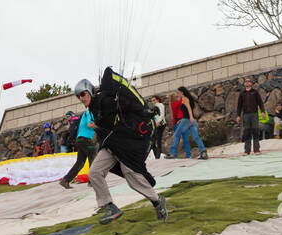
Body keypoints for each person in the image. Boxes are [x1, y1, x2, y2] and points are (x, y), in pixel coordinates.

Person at [79, 71, 168, 223]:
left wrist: (146, 111)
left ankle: (157, 202)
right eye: (78, 96)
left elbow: (128, 105)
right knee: (94, 172)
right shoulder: (93, 109)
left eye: (83, 94)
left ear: (90, 91)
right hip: (110, 145)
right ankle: (110, 207)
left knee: (131, 175)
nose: (81, 98)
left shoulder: (105, 100)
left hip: (125, 143)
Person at [60, 91, 96, 188]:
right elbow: (90, 124)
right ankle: (93, 181)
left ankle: (66, 180)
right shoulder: (90, 111)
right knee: (93, 157)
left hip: (80, 140)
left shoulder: (87, 113)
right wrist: (101, 124)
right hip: (85, 139)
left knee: (80, 163)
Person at [177, 86, 209, 159]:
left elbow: (188, 109)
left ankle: (172, 153)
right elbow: (186, 112)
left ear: (181, 92)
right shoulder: (185, 99)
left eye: (178, 92)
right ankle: (203, 152)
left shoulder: (185, 99)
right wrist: (181, 120)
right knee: (195, 137)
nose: (177, 93)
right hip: (190, 119)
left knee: (177, 134)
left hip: (190, 120)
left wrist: (191, 117)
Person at [235, 76, 265, 155]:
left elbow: (260, 102)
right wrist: (238, 115)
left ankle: (256, 150)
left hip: (254, 114)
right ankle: (247, 151)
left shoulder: (255, 92)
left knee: (255, 131)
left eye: (249, 81)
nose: (247, 82)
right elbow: (239, 106)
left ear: (251, 83)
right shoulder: (242, 93)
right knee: (246, 132)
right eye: (246, 81)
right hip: (246, 115)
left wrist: (262, 112)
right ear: (244, 84)